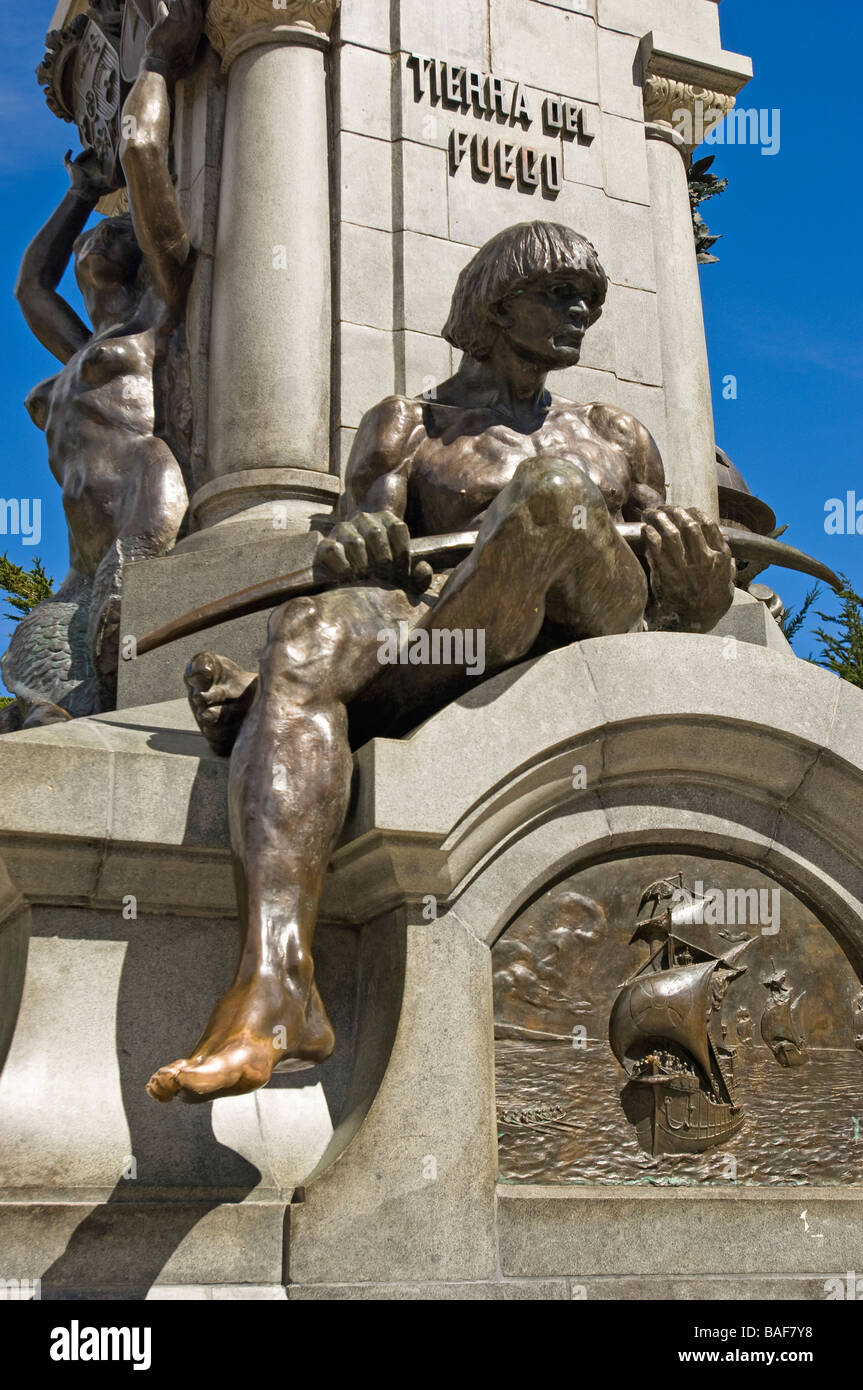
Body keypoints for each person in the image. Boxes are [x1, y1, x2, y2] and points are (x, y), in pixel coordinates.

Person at [147, 220, 735, 1103]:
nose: (580, 316)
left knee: (553, 493)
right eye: (558, 296)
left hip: (593, 617)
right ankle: (275, 987)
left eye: (592, 302)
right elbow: (357, 538)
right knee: (305, 635)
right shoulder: (406, 426)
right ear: (494, 307)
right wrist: (361, 550)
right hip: (454, 617)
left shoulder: (611, 432)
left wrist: (701, 590)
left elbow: (677, 594)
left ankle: (257, 704)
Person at [4, 0, 203, 729]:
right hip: (80, 567)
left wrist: (155, 64)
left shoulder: (158, 319)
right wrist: (80, 192)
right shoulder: (78, 348)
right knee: (41, 701)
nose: (94, 238)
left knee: (114, 681)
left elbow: (145, 158)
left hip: (142, 529)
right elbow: (29, 286)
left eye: (110, 229)